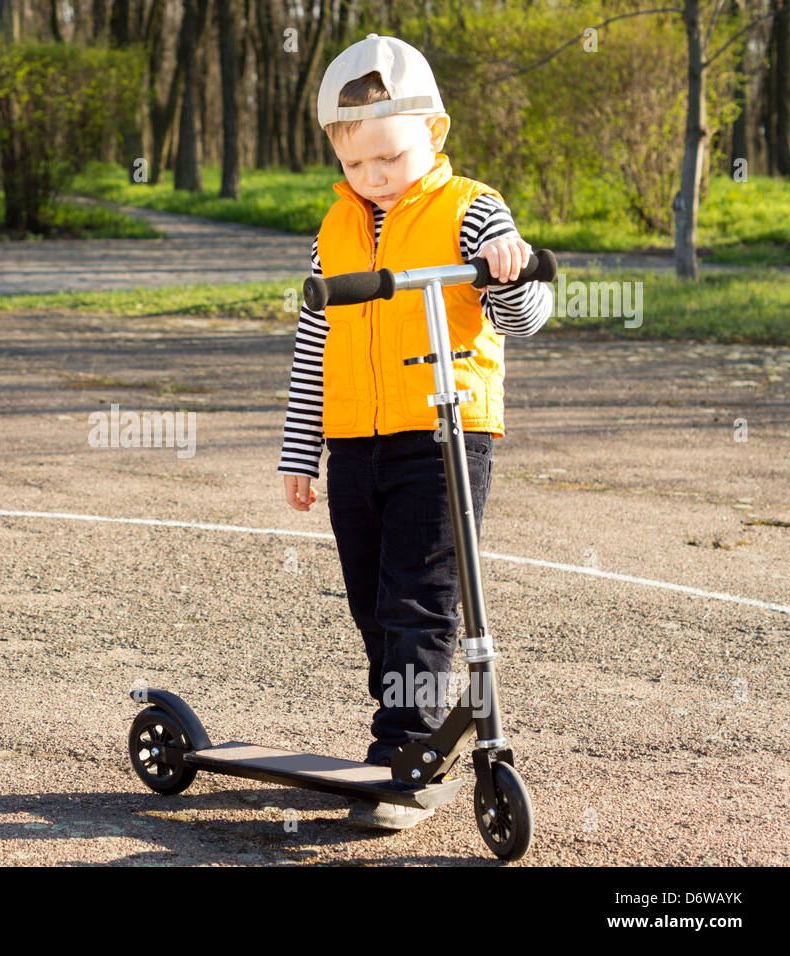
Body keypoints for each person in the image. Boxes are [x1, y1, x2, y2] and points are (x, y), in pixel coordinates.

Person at [276, 33, 553, 830]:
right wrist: (303, 450)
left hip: (444, 436)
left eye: (390, 161)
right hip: (356, 444)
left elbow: (528, 319)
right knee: (372, 600)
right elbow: (312, 350)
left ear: (434, 132)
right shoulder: (334, 230)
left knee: (419, 600)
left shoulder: (473, 210)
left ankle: (406, 761)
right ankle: (414, 733)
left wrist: (511, 264)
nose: (375, 180)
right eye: (356, 166)